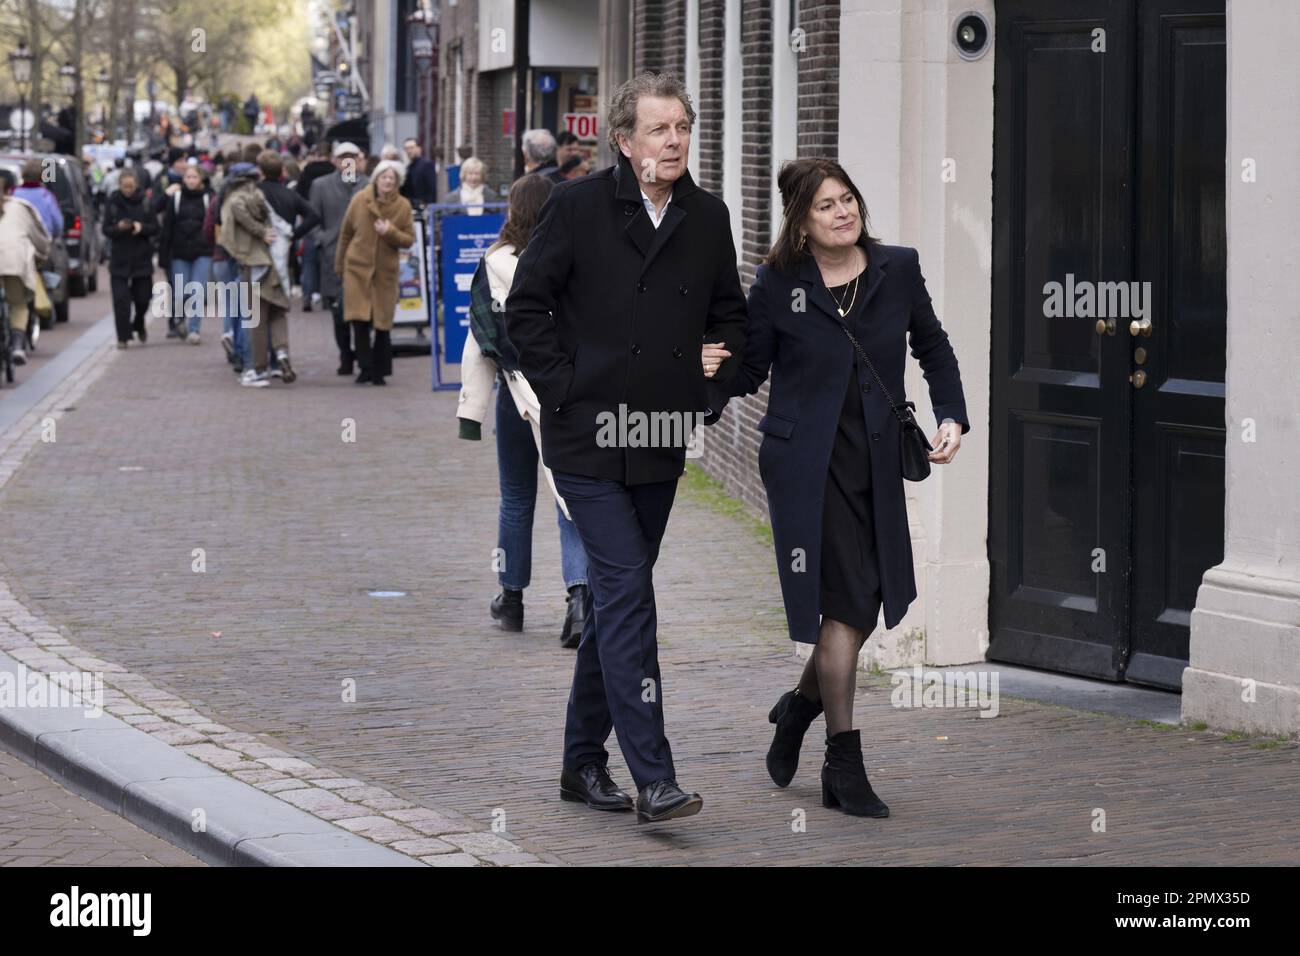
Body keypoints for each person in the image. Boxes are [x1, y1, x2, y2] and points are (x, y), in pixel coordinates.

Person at [505, 71, 747, 824]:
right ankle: (656, 777)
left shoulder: (708, 217)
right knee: (629, 593)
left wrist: (714, 376)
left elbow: (731, 320)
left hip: (661, 437)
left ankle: (581, 763)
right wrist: (566, 390)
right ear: (623, 141)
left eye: (682, 127)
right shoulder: (578, 208)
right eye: (658, 129)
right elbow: (525, 310)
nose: (673, 140)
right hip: (586, 439)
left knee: (616, 603)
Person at [709, 157, 969, 819]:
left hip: (875, 461)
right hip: (805, 468)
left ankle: (798, 707)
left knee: (865, 600)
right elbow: (750, 371)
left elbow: (933, 347)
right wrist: (705, 367)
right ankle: (843, 762)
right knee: (847, 603)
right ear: (802, 223)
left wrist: (951, 415)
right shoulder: (777, 284)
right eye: (825, 205)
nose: (843, 212)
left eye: (848, 198)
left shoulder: (897, 268)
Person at [457, 173, 591, 647]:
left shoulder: (494, 263)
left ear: (514, 211)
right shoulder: (573, 260)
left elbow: (480, 336)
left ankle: (511, 598)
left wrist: (469, 411)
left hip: (515, 393)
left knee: (516, 497)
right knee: (569, 496)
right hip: (565, 393)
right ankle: (579, 601)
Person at [335, 158, 413, 386]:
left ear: (397, 182)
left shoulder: (403, 206)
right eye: (384, 177)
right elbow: (346, 234)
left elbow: (408, 240)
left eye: (392, 178)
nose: (387, 181)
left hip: (384, 272)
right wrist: (339, 266)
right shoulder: (360, 199)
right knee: (358, 320)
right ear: (376, 179)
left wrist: (390, 232)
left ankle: (379, 371)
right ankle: (365, 367)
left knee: (382, 323)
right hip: (357, 269)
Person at [221, 160, 294, 387]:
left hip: (252, 263)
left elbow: (231, 229)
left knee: (255, 319)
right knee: (277, 311)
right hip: (273, 261)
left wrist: (258, 234)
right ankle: (281, 353)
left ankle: (257, 368)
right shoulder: (260, 197)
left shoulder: (233, 201)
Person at [310, 141, 369, 375]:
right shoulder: (320, 185)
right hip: (333, 256)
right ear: (334, 161)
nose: (347, 162)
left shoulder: (368, 184)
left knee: (363, 311)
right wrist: (321, 239)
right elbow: (312, 217)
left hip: (363, 258)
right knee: (338, 312)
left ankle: (364, 355)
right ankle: (346, 355)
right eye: (343, 157)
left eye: (352, 157)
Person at [158, 164, 214, 344]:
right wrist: (163, 253)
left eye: (194, 177)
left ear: (201, 179)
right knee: (180, 293)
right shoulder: (176, 198)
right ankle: (179, 318)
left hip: (202, 251)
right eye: (188, 177)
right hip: (179, 251)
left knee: (197, 291)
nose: (191, 180)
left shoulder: (208, 198)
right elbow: (167, 227)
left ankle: (194, 329)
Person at [0, 170, 52, 365]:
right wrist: (43, 254)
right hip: (14, 262)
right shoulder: (21, 207)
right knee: (18, 304)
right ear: (12, 189)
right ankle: (17, 345)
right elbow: (40, 238)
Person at [102, 169, 157, 348]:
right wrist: (119, 228)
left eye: (131, 186)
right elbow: (106, 229)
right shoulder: (113, 202)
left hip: (141, 258)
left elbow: (155, 227)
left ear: (137, 186)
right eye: (124, 186)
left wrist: (141, 228)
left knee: (143, 298)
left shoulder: (146, 202)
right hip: (120, 259)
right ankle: (122, 337)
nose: (127, 190)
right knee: (121, 301)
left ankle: (139, 322)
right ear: (119, 185)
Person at [295, 143, 335, 311]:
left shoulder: (308, 171)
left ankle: (307, 295)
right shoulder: (335, 170)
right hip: (331, 221)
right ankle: (328, 297)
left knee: (309, 261)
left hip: (310, 220)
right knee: (329, 261)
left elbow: (298, 194)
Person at [13, 159, 64, 239]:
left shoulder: (13, 194)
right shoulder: (47, 196)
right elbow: (57, 225)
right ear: (42, 176)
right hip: (42, 244)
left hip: (18, 242)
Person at [400, 138, 438, 205]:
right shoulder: (408, 167)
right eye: (406, 148)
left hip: (423, 207)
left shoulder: (426, 165)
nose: (409, 151)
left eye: (411, 148)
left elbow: (431, 189)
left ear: (419, 149)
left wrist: (428, 206)